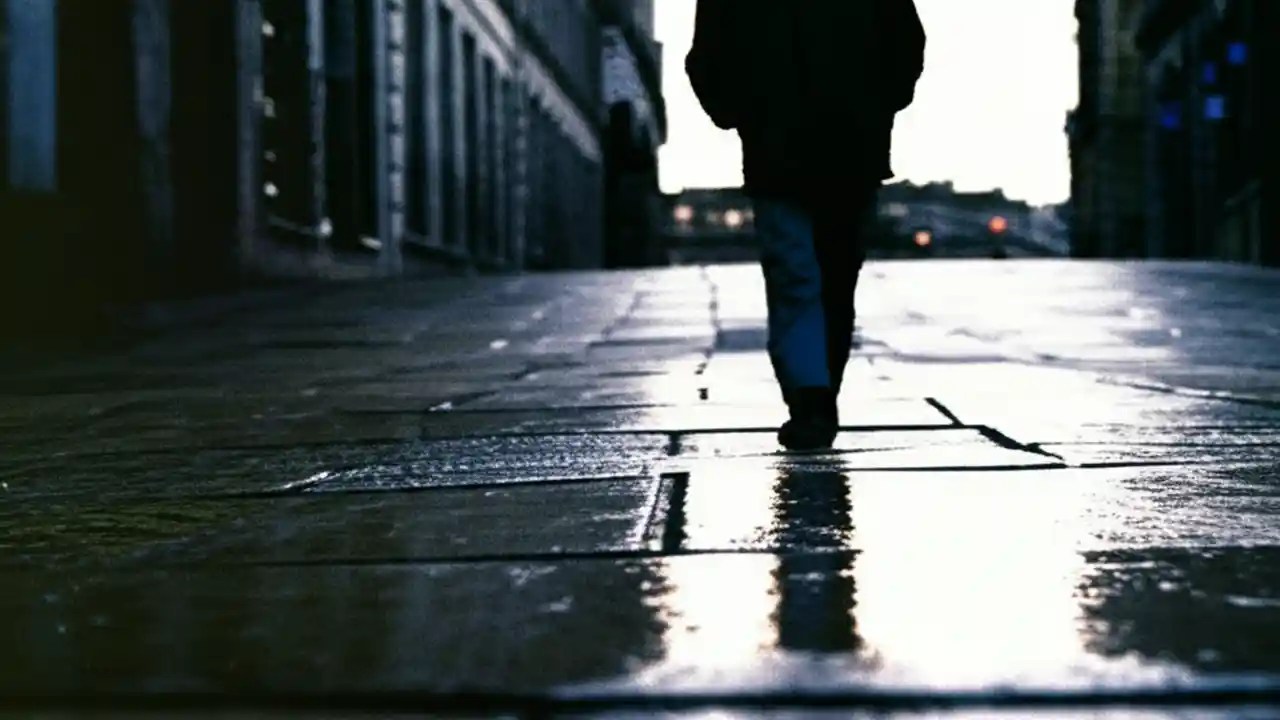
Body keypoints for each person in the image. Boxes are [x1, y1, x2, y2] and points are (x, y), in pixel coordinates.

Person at [686, 0, 926, 451]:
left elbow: (905, 43)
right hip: (796, 144)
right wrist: (741, 110)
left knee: (830, 278)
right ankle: (811, 398)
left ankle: (817, 394)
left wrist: (876, 103)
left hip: (834, 144)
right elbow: (708, 57)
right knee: (800, 272)